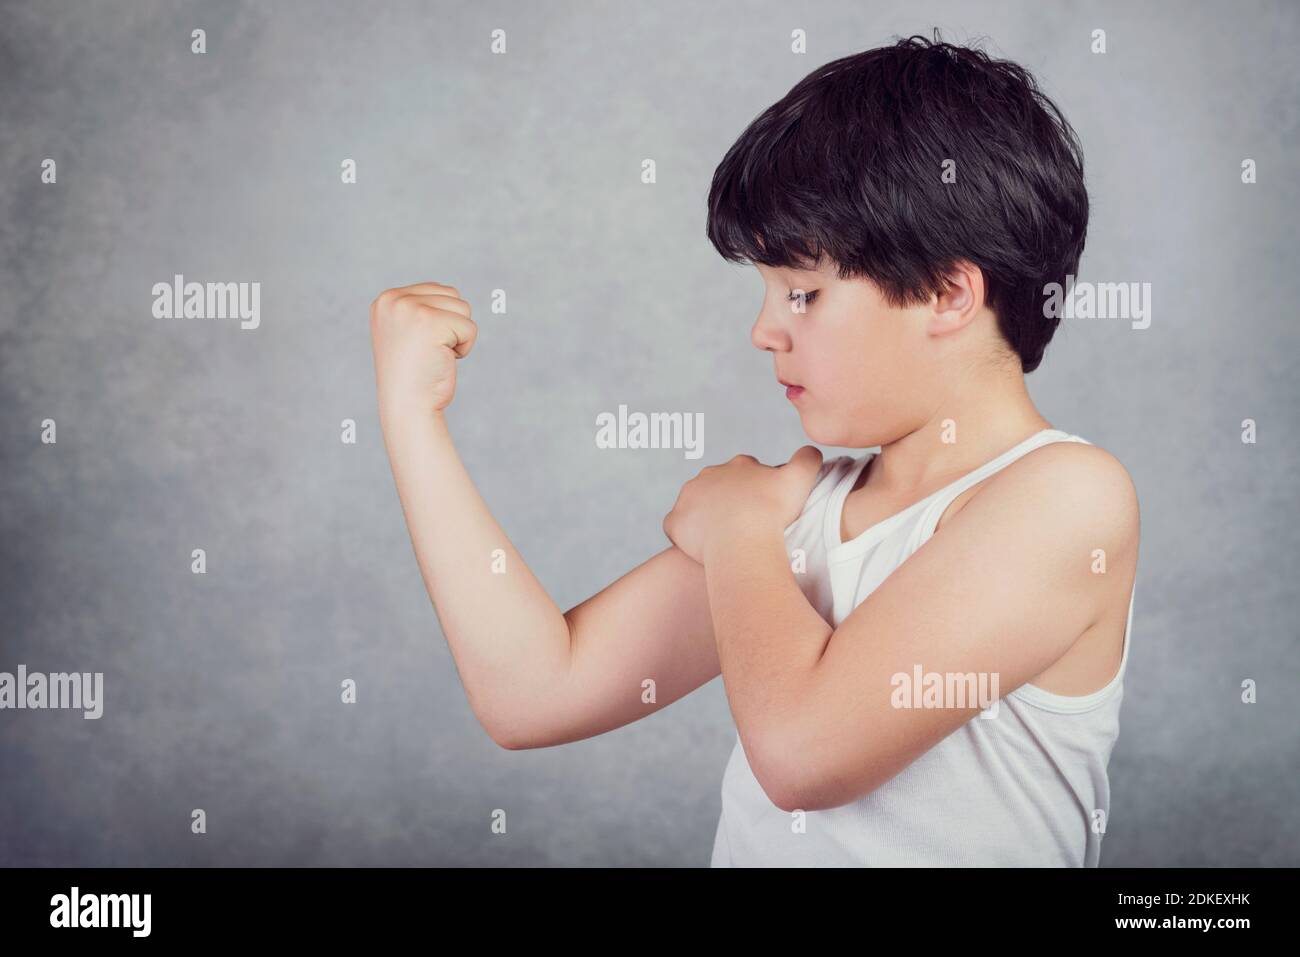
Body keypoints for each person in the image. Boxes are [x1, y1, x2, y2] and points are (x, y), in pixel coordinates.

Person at [369, 33, 1140, 867]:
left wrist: (737, 531)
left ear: (949, 292)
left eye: (803, 292)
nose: (764, 330)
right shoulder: (805, 508)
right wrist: (413, 418)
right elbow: (530, 692)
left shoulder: (1068, 497)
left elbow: (804, 755)